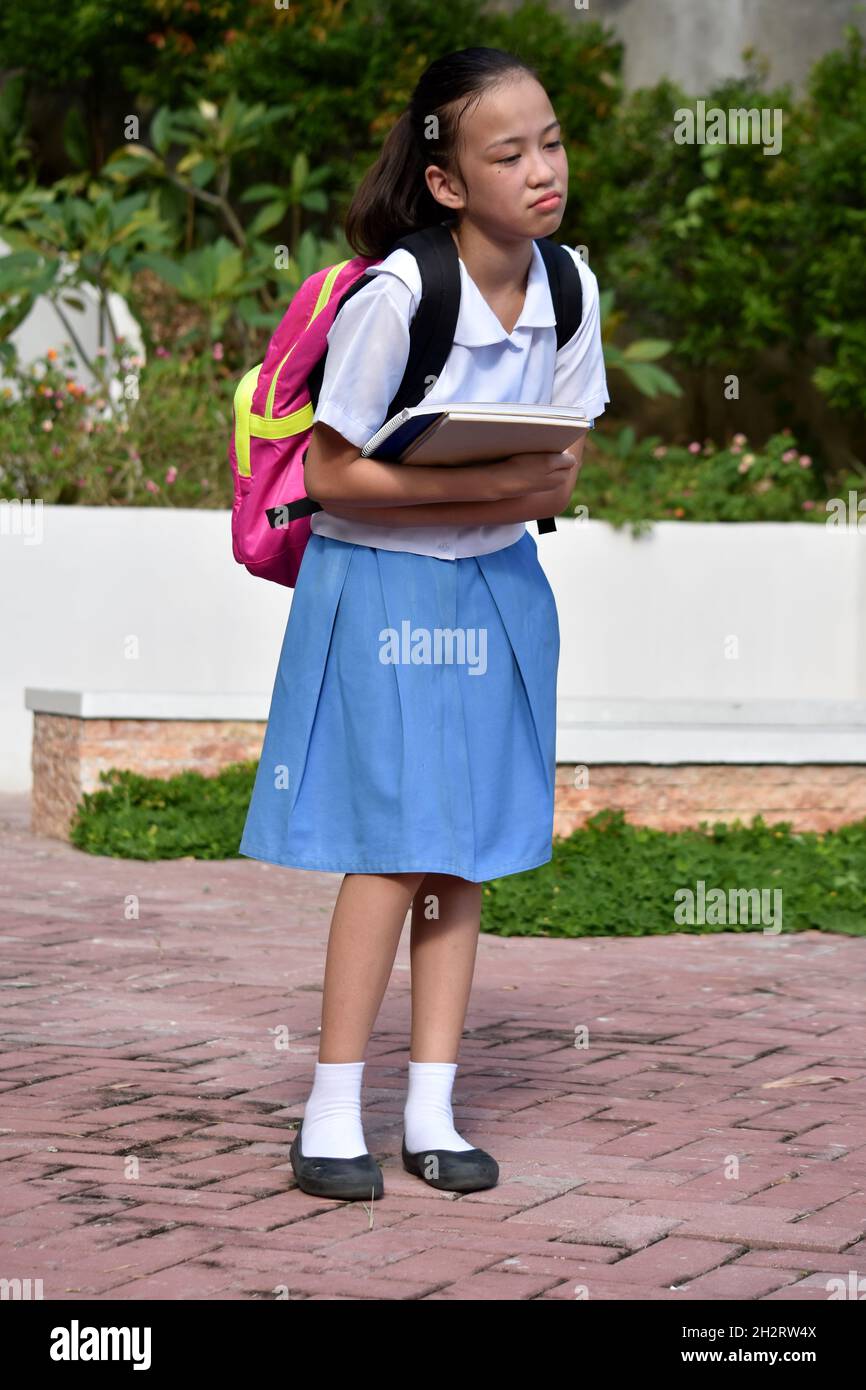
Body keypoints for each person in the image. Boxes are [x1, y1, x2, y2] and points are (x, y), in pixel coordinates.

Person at [239, 45, 610, 1201]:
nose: (542, 169)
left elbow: (561, 475)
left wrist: (493, 498)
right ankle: (330, 1111)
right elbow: (335, 477)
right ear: (448, 181)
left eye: (549, 141)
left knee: (464, 852)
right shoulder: (401, 295)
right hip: (379, 589)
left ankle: (432, 1113)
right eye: (509, 152)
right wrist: (485, 490)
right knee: (394, 850)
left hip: (497, 588)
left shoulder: (569, 288)